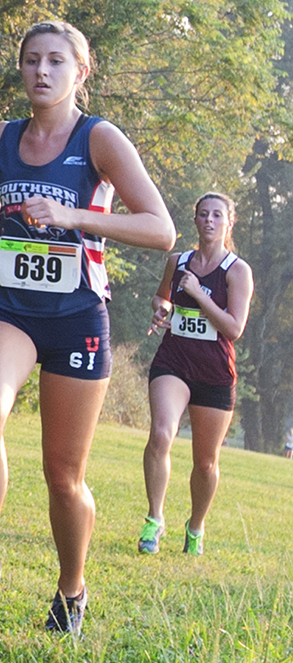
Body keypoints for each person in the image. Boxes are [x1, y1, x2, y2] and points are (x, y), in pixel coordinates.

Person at [0, 21, 175, 634]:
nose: (41, 72)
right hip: (10, 307)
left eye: (55, 61)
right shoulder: (0, 137)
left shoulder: (99, 139)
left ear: (82, 70)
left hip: (78, 316)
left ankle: (71, 589)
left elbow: (161, 229)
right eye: (30, 61)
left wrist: (75, 214)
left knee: (63, 476)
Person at [140, 193, 253, 556]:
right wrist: (161, 310)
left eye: (216, 215)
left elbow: (234, 328)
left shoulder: (238, 271)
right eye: (203, 214)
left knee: (205, 462)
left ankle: (195, 526)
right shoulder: (178, 262)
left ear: (228, 223)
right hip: (173, 361)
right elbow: (163, 298)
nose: (209, 220)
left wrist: (199, 294)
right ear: (195, 220)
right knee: (161, 434)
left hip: (215, 371)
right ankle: (154, 520)